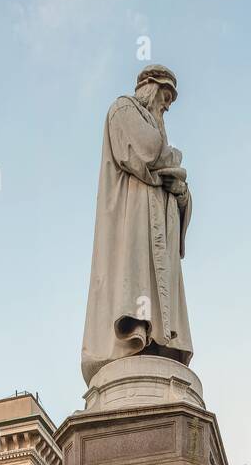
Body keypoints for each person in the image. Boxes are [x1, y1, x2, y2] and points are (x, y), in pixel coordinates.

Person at [81, 65, 193, 383]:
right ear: (150, 87)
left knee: (157, 287)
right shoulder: (123, 110)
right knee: (135, 276)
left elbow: (176, 187)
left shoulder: (157, 130)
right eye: (166, 95)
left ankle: (159, 340)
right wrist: (172, 164)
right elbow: (147, 152)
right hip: (133, 225)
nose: (167, 105)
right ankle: (134, 334)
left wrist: (181, 190)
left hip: (161, 235)